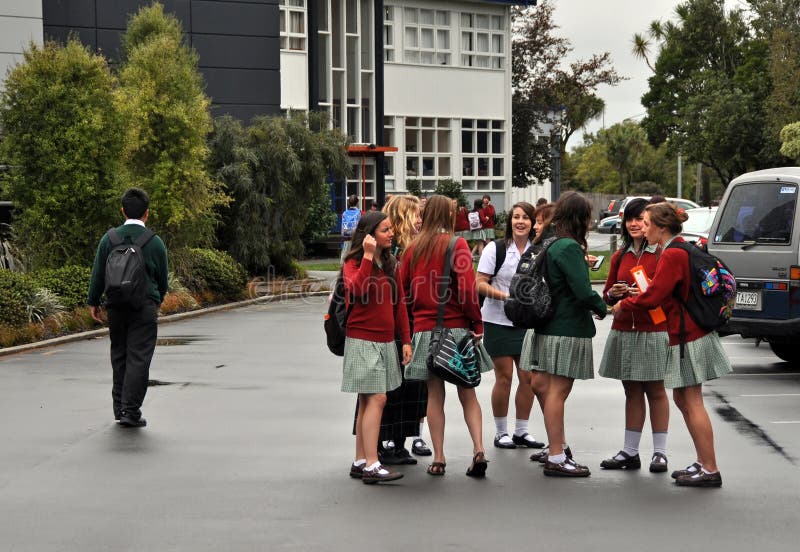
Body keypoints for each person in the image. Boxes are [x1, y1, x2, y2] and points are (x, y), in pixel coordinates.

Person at [612, 202, 732, 488]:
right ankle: (703, 462)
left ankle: (710, 467)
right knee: (683, 398)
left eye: (647, 222)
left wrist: (622, 304)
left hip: (688, 334)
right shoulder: (681, 249)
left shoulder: (672, 254)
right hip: (688, 333)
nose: (644, 227)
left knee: (691, 401)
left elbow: (653, 295)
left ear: (662, 227)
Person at [399, 194, 493, 477]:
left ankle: (438, 457)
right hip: (457, 330)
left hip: (426, 331)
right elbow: (466, 289)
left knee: (434, 395)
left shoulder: (412, 250)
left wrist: (412, 325)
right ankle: (478, 448)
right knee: (468, 392)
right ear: (446, 216)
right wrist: (477, 322)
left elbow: (403, 295)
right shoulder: (457, 244)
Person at [519, 191, 606, 477]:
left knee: (545, 388)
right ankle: (557, 455)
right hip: (567, 328)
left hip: (545, 326)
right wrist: (605, 306)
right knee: (558, 392)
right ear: (580, 217)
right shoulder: (568, 247)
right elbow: (582, 291)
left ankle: (557, 447)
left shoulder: (550, 243)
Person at [598, 198, 671, 473]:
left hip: (654, 329)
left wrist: (647, 291)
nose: (634, 224)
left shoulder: (662, 252)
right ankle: (630, 451)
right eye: (630, 218)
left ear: (650, 221)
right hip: (625, 329)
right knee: (631, 391)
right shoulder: (620, 255)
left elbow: (668, 293)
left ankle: (660, 453)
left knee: (655, 390)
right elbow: (606, 296)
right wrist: (613, 294)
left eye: (640, 218)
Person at [87, 188, 168, 428]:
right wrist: (158, 299)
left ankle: (118, 407)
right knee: (139, 358)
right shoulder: (154, 242)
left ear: (122, 210)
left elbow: (98, 273)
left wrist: (93, 301)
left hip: (116, 306)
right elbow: (163, 279)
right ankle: (130, 411)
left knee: (119, 355)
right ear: (147, 213)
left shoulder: (109, 239)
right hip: (144, 307)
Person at [342, 211, 412, 484]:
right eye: (385, 230)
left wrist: (405, 339)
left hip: (384, 340)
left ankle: (360, 460)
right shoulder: (354, 262)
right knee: (378, 398)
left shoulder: (392, 263)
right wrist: (368, 257)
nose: (391, 233)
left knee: (366, 399)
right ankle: (372, 463)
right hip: (362, 339)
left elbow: (400, 303)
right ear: (370, 235)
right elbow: (357, 291)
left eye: (390, 229)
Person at [476, 202, 545, 450]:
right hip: (498, 320)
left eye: (525, 217)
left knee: (527, 377)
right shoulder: (495, 249)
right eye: (516, 217)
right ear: (510, 221)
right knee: (504, 378)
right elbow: (479, 283)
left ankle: (522, 431)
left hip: (526, 322)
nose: (520, 221)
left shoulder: (538, 250)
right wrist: (506, 297)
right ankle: (501, 432)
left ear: (532, 222)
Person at [373, 195, 431, 464]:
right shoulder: (392, 251)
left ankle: (399, 442)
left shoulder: (413, 248)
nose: (420, 220)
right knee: (392, 387)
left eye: (420, 215)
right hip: (395, 328)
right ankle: (384, 443)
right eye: (415, 215)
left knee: (410, 386)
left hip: (411, 325)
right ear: (400, 218)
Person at [340, 195, 361, 263]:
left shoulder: (345, 213)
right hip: (355, 238)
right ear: (357, 203)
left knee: (345, 254)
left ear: (349, 202)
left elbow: (343, 226)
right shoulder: (359, 213)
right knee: (354, 255)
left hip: (346, 237)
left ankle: (344, 268)